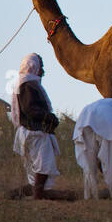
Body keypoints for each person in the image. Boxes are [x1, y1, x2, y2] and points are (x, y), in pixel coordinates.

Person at [10, 52, 69, 200]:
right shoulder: (28, 86)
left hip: (31, 131)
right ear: (34, 67)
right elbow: (30, 109)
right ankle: (38, 197)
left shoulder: (25, 84)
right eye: (41, 67)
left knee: (38, 167)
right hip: (35, 132)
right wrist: (50, 118)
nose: (43, 71)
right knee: (44, 165)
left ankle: (34, 195)